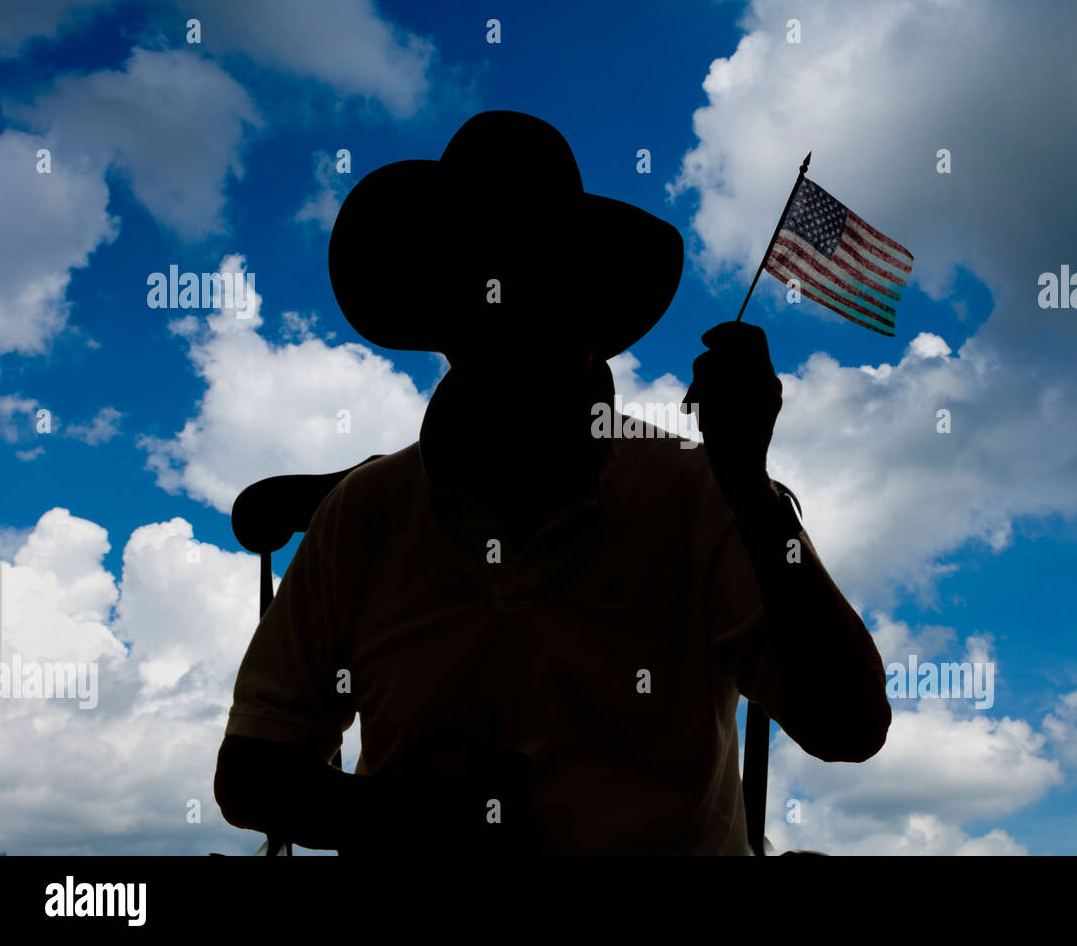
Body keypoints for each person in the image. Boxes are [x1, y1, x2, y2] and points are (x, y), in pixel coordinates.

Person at [214, 110, 890, 855]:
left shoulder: (703, 496)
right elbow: (250, 769)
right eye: (480, 282)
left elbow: (850, 726)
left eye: (541, 280)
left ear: (590, 309)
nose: (510, 310)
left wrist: (749, 487)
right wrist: (400, 816)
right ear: (442, 317)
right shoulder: (364, 517)